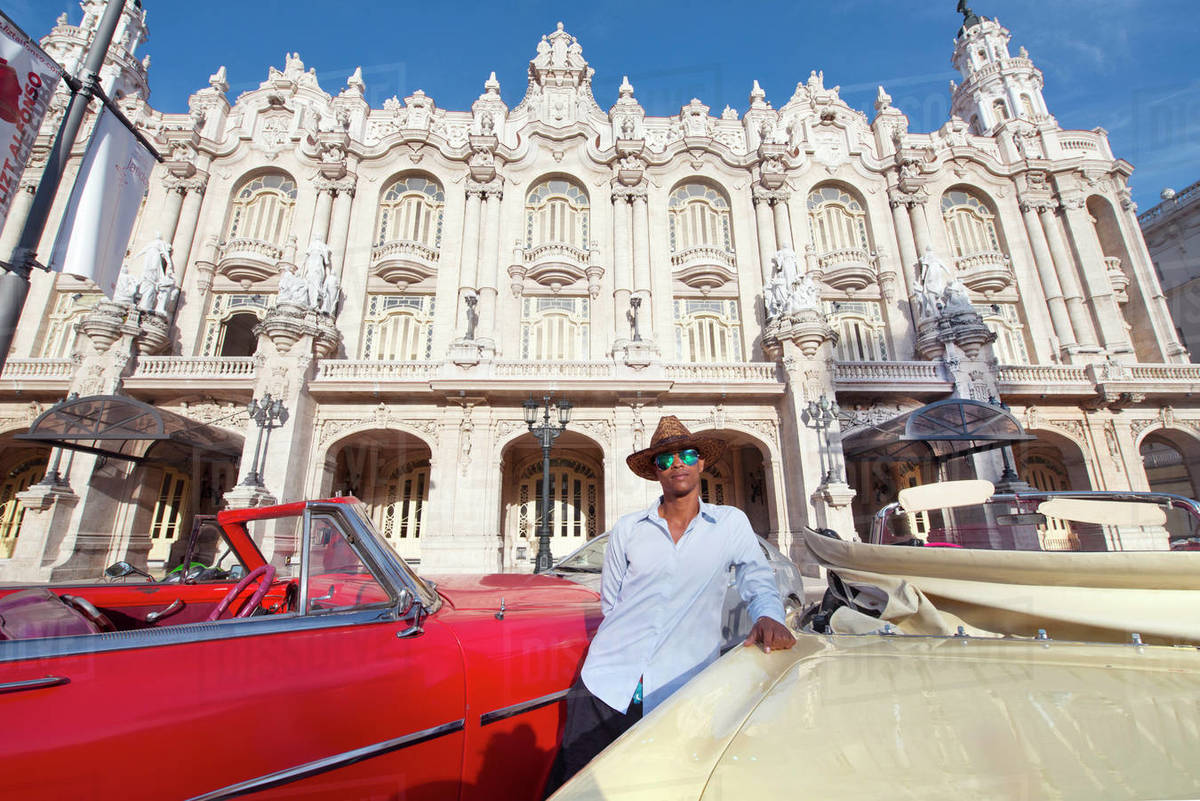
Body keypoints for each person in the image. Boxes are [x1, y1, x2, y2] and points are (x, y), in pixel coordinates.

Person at [542, 416, 795, 797]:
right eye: (665, 460)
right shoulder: (629, 529)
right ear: (654, 472)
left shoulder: (730, 523)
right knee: (581, 785)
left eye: (687, 454)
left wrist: (769, 615)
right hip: (608, 683)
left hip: (682, 687)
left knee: (666, 785)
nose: (677, 464)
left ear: (701, 464)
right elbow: (612, 602)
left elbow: (756, 578)